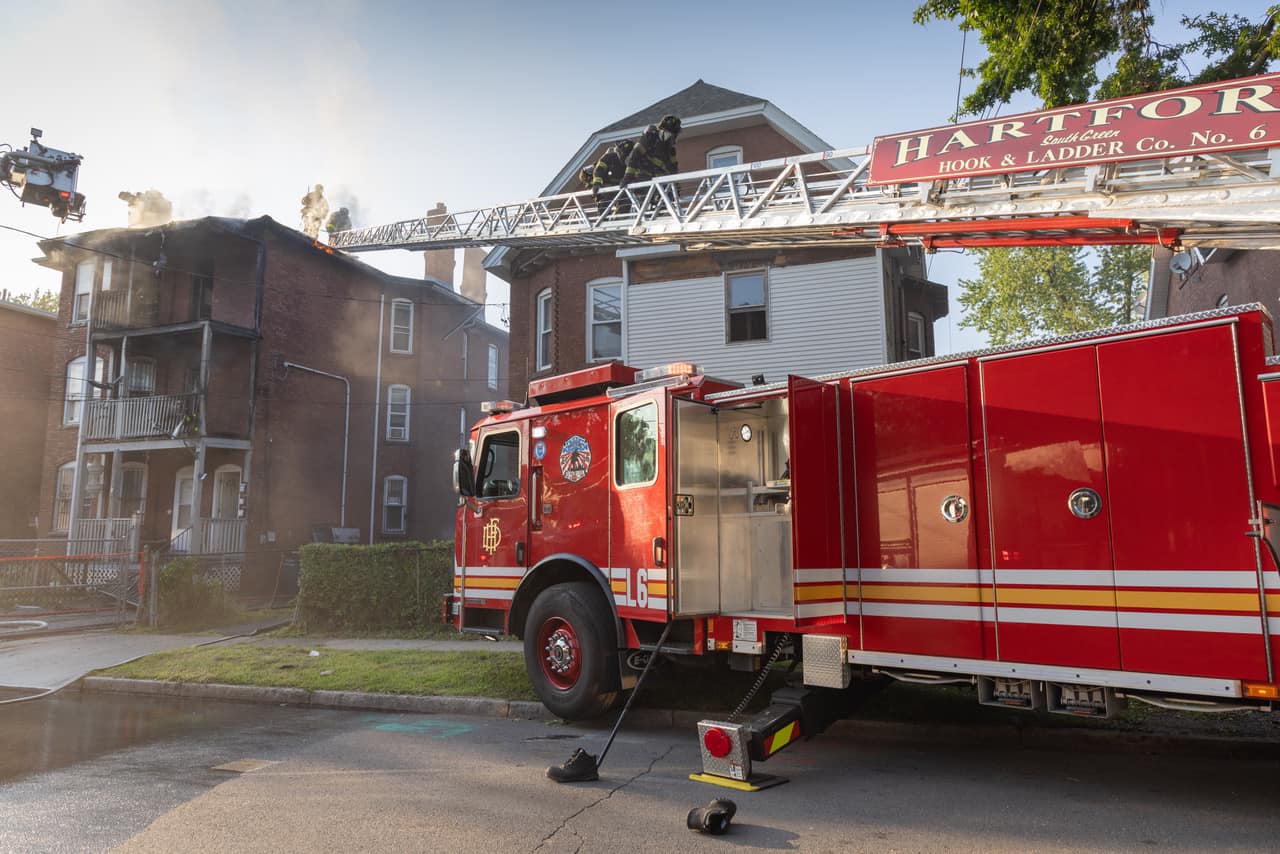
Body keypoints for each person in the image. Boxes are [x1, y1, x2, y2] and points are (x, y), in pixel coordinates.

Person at [623, 115, 681, 189]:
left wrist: (676, 184)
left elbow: (673, 166)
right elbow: (635, 156)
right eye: (669, 133)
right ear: (662, 130)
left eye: (673, 134)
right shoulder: (649, 137)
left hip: (657, 175)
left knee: (666, 194)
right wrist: (628, 176)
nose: (671, 136)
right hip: (641, 172)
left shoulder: (670, 145)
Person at [589, 139, 635, 213]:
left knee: (626, 202)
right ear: (619, 150)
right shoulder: (608, 158)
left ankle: (619, 219)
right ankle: (604, 220)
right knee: (604, 207)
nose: (625, 156)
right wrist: (596, 184)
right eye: (624, 153)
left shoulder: (629, 162)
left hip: (620, 188)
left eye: (627, 154)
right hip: (606, 188)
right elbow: (598, 170)